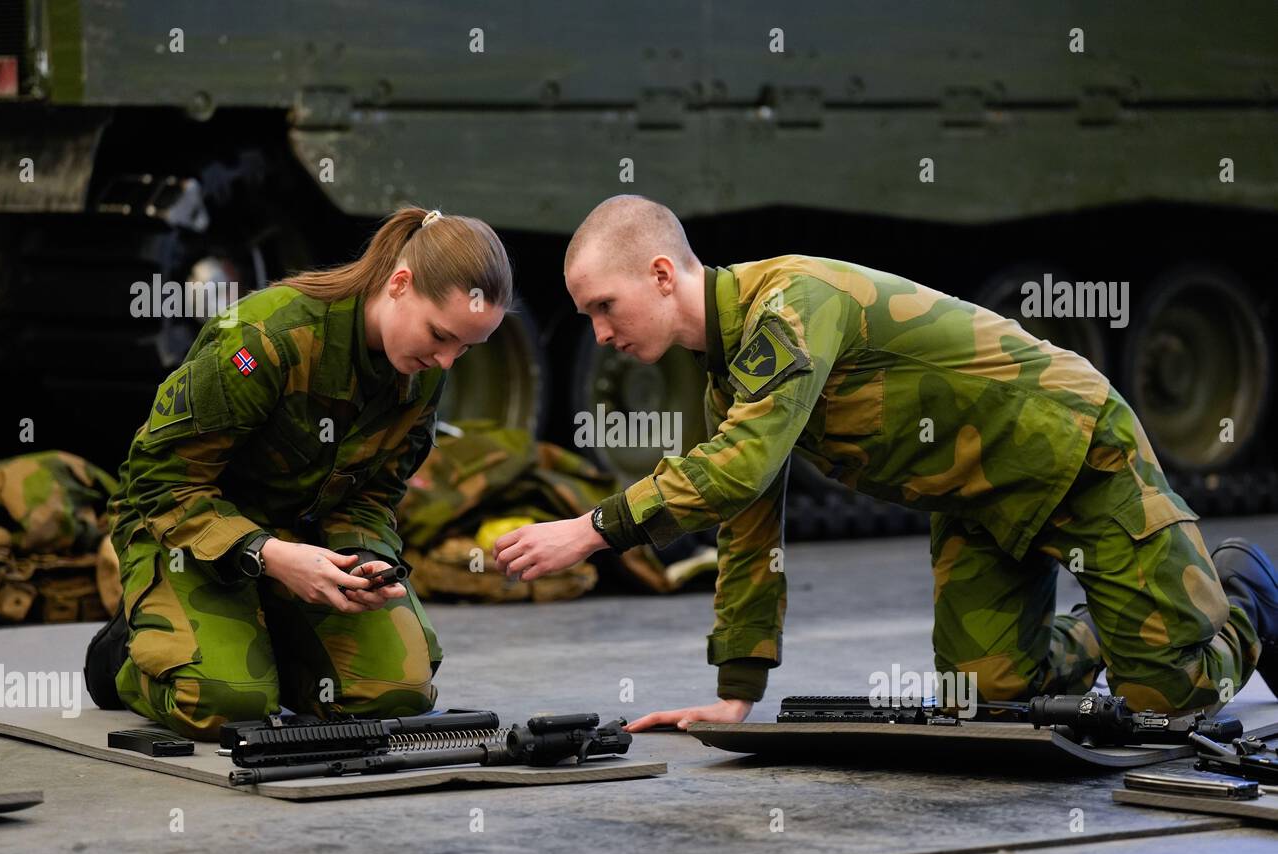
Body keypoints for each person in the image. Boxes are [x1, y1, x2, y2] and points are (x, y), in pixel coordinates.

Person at [494, 194, 1277, 730]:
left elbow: (734, 468)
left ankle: (1241, 590)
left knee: (1169, 703)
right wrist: (736, 695)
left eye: (603, 306)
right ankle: (1121, 624)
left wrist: (595, 529)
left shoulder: (793, 301)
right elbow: (745, 529)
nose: (599, 333)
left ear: (662, 274)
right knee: (986, 706)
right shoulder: (728, 380)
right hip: (977, 505)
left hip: (1074, 455)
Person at [85, 207, 513, 740]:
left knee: (394, 695)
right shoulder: (265, 337)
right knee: (227, 705)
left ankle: (258, 641)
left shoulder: (419, 368)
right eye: (441, 335)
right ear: (400, 284)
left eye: (466, 348)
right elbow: (158, 479)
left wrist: (368, 562)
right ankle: (126, 655)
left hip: (302, 541)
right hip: (185, 529)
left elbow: (372, 493)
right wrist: (269, 555)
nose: (449, 361)